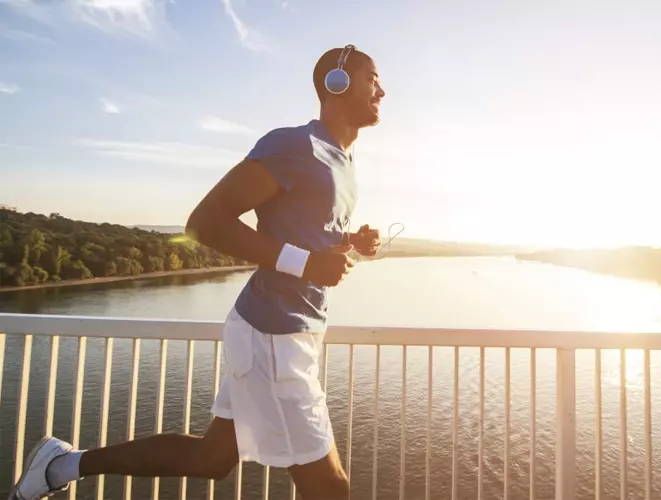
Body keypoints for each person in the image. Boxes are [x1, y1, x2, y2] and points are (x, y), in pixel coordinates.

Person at [8, 44, 386, 500]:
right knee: (330, 489)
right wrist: (306, 262)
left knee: (211, 459)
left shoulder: (343, 164)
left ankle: (61, 465)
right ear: (337, 83)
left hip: (289, 333)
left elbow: (307, 238)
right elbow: (205, 222)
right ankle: (60, 465)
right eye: (372, 78)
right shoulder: (294, 145)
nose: (381, 91)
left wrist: (348, 244)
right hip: (272, 335)